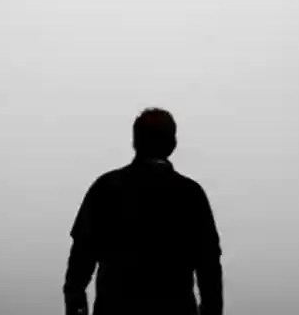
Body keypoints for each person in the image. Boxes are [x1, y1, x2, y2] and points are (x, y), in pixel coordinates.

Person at [63, 108, 223, 315]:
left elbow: (81, 255)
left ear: (134, 142)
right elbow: (208, 265)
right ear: (172, 144)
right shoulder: (191, 194)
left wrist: (75, 299)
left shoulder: (105, 188)